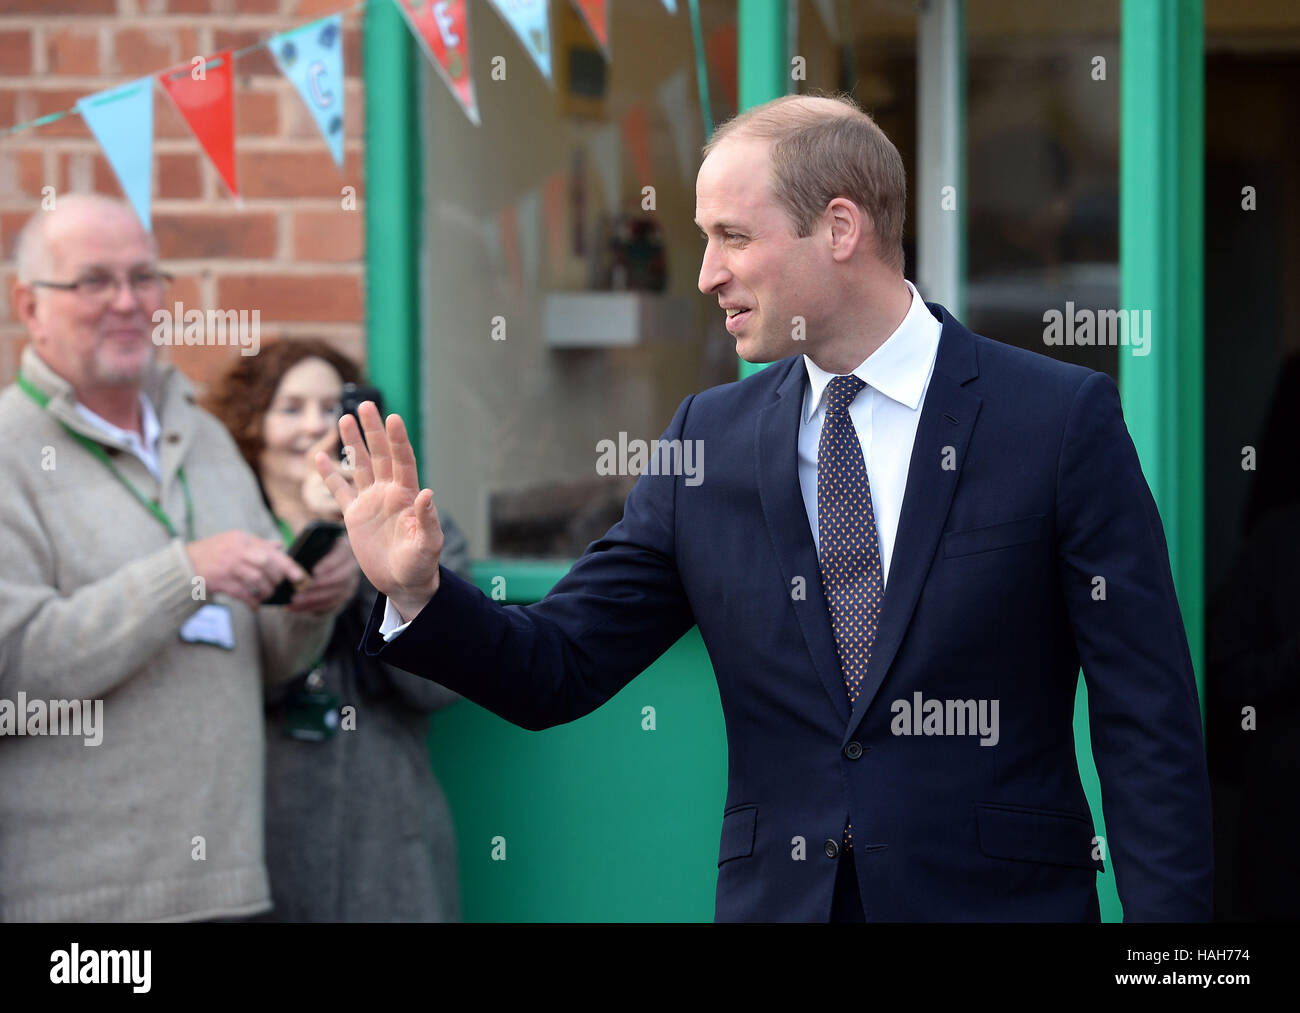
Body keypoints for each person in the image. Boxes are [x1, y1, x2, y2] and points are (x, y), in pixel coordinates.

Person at [318, 95, 1214, 922]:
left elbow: (1149, 718)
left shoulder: (1057, 420)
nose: (707, 272)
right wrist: (419, 594)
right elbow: (559, 665)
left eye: (733, 237)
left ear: (839, 228)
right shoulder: (708, 436)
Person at [0, 193, 356, 922]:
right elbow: (14, 671)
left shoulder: (207, 438)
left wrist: (308, 605)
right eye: (94, 281)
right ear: (29, 306)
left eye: (144, 278)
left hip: (231, 886)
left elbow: (264, 659)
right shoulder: (8, 451)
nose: (127, 302)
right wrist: (183, 574)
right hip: (80, 910)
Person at [204, 339, 466, 921]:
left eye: (330, 408)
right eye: (290, 407)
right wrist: (308, 537)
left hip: (386, 837)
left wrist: (364, 551)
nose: (313, 427)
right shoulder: (219, 536)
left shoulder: (421, 527)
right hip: (254, 830)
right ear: (251, 423)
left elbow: (439, 686)